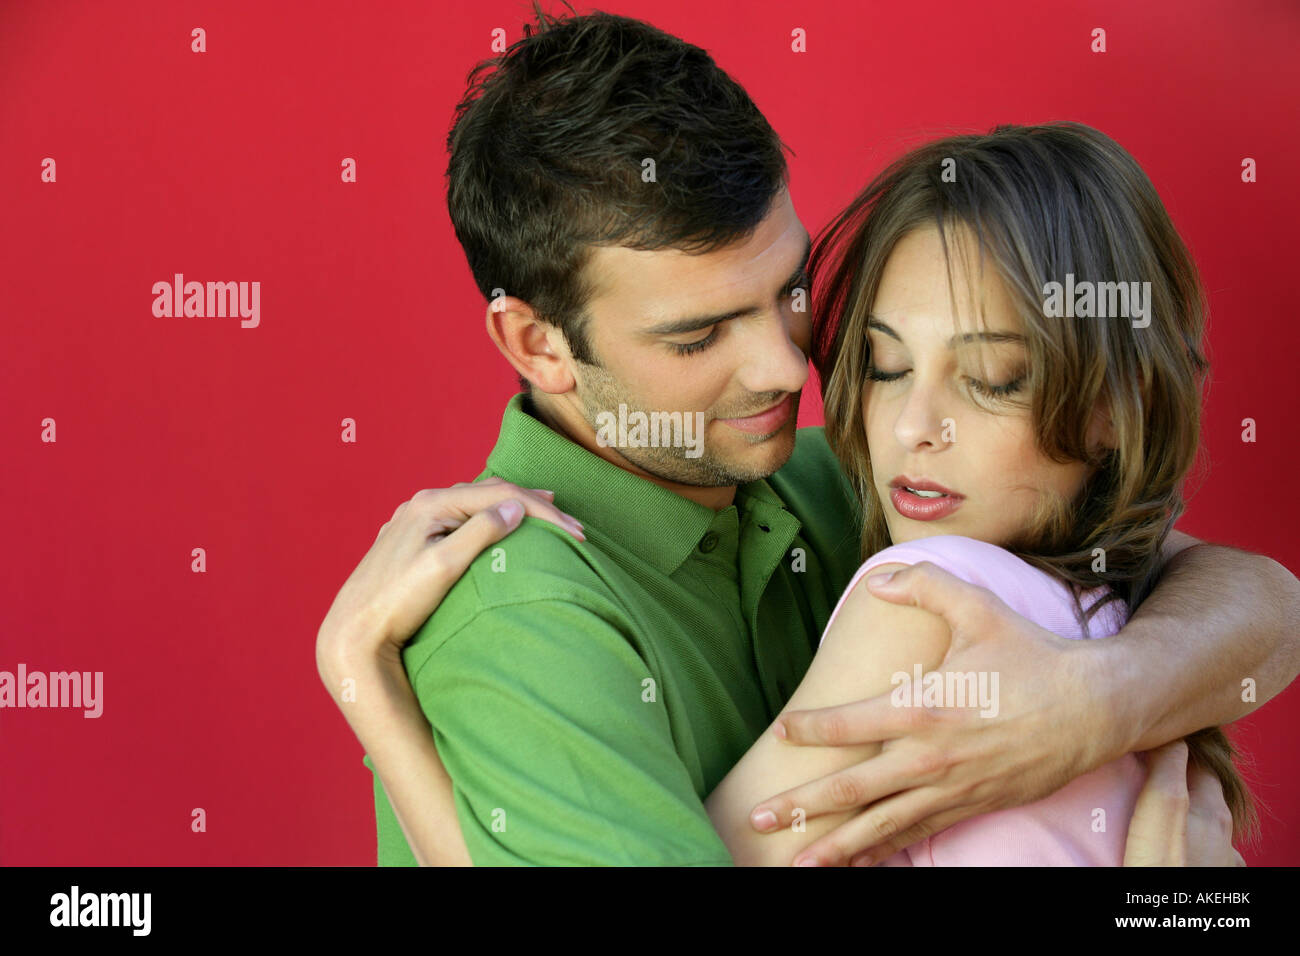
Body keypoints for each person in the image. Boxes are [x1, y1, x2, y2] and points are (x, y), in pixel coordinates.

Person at [317, 8, 1298, 866]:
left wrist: (1091, 704)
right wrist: (374, 699)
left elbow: (1254, 597)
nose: (793, 371)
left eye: (786, 291)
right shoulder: (517, 616)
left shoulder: (849, 482)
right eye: (698, 333)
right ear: (538, 342)